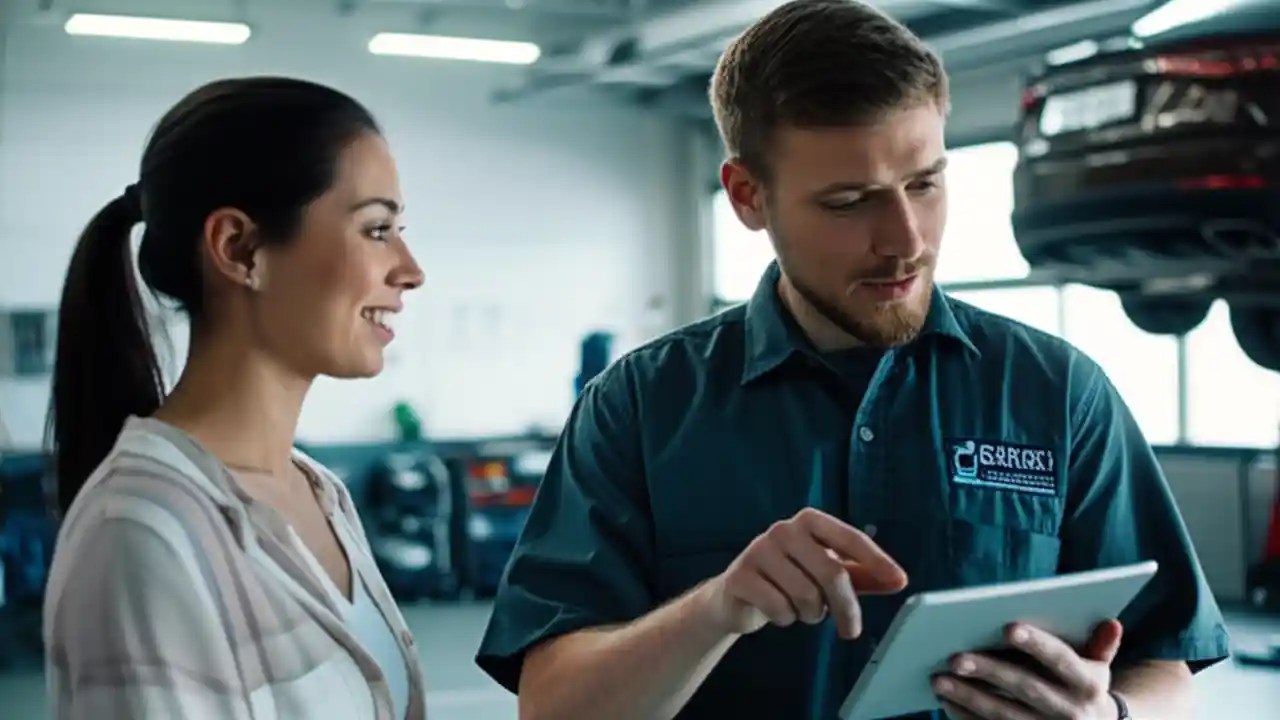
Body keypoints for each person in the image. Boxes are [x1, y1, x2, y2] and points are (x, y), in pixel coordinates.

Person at [475, 2, 1229, 719]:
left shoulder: (1058, 393)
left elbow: (1164, 660)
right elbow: (551, 705)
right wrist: (713, 611)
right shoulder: (638, 408)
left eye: (925, 183)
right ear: (746, 197)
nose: (905, 239)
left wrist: (1113, 710)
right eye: (848, 202)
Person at [43, 77, 427, 720]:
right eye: (377, 228)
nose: (410, 268)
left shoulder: (321, 494)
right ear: (240, 249)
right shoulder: (143, 534)